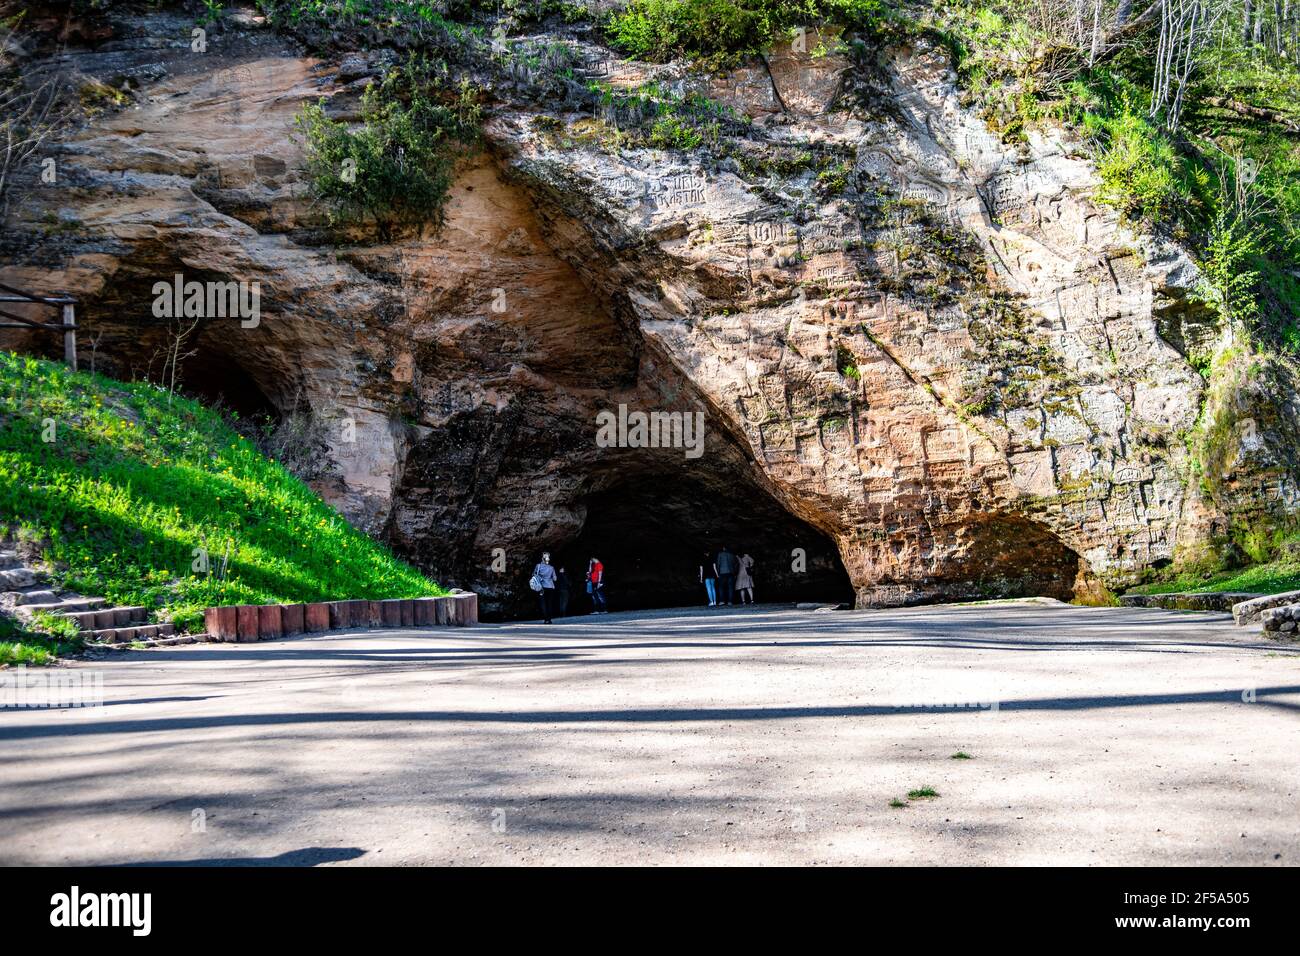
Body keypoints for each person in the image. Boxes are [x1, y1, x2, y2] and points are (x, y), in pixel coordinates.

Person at [532, 552, 557, 624]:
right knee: (549, 603)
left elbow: (534, 574)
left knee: (543, 603)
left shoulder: (538, 566)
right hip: (550, 586)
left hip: (541, 587)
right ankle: (549, 619)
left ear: (542, 559)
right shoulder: (551, 568)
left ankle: (546, 619)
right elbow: (555, 579)